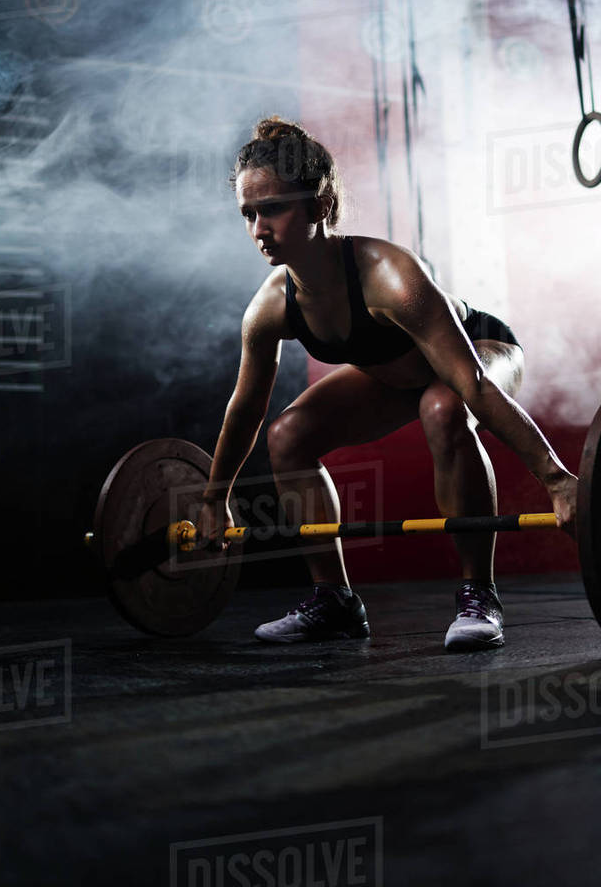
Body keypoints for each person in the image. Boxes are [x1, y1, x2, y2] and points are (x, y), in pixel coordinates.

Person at [198, 116, 577, 651]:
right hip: (399, 374)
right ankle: (334, 601)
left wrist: (558, 481)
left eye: (274, 208)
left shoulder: (388, 275)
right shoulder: (270, 307)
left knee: (444, 406)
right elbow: (246, 409)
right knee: (287, 436)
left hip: (481, 351)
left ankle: (479, 594)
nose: (259, 228)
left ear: (321, 205)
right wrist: (214, 499)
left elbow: (471, 382)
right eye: (248, 213)